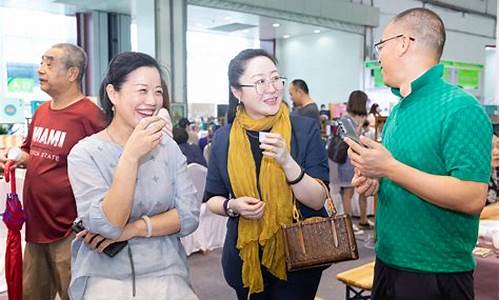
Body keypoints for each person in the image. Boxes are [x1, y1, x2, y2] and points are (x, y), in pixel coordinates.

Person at [345, 8, 492, 300]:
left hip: (436, 274)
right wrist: (376, 179)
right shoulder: (400, 109)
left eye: (381, 46)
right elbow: (406, 174)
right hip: (388, 262)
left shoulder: (460, 108)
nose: (379, 57)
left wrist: (389, 169)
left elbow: (472, 196)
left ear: (403, 43)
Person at [66, 52, 199, 300]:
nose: (152, 101)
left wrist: (135, 228)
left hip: (168, 275)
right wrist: (130, 157)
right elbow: (108, 224)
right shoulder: (84, 153)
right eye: (142, 90)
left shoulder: (168, 148)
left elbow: (189, 216)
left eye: (158, 92)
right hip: (106, 279)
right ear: (113, 93)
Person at [205, 49, 330, 300]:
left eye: (275, 79)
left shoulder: (303, 129)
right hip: (245, 258)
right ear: (237, 92)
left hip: (299, 257)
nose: (272, 89)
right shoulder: (223, 139)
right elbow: (212, 199)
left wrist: (287, 162)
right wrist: (233, 205)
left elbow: (318, 199)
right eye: (260, 82)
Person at [0, 43, 106, 300]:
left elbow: (108, 168)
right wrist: (13, 157)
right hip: (35, 225)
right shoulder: (41, 112)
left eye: (49, 63)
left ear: (72, 73)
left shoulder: (91, 116)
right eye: (41, 63)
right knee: (32, 293)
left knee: (75, 293)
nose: (40, 70)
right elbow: (30, 152)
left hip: (69, 229)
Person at [332, 90, 372, 233]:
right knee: (348, 192)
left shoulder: (354, 118)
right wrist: (360, 127)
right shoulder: (346, 119)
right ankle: (348, 225)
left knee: (362, 190)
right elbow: (352, 140)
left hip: (358, 159)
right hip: (347, 161)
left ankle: (363, 220)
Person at [481, 134, 499, 219]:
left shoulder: (496, 170)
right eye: (490, 148)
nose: (496, 152)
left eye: (498, 146)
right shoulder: (474, 176)